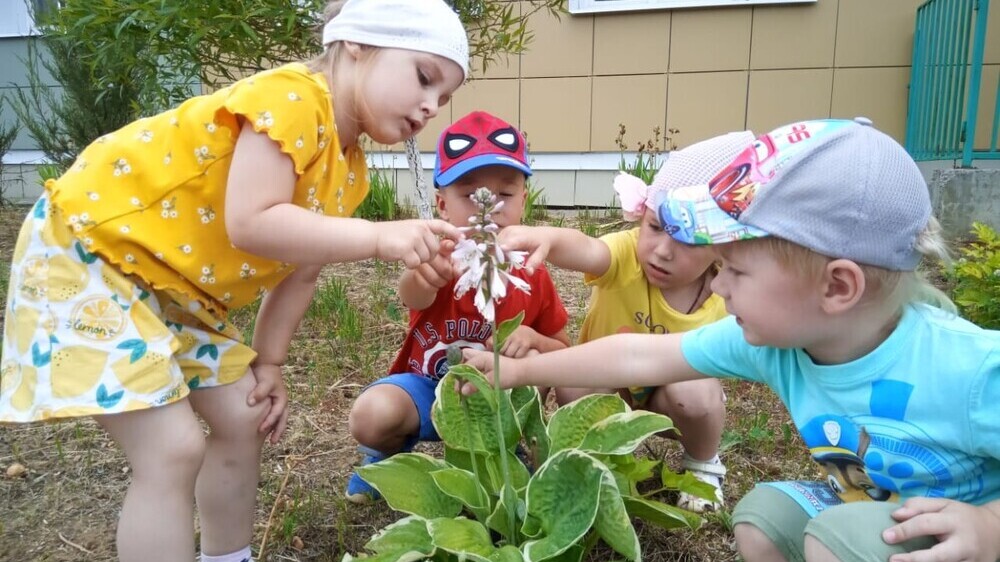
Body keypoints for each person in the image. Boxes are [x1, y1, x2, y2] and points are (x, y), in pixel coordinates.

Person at [0, 1, 468, 560]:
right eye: (423, 77)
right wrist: (378, 237)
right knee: (170, 450)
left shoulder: (349, 170)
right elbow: (252, 222)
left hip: (170, 291)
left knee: (244, 412)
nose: (430, 106)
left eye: (443, 97)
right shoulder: (292, 99)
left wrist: (268, 363)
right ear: (357, 44)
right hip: (92, 253)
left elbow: (301, 272)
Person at [465, 118, 1000, 562]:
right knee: (760, 521)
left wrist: (988, 527)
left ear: (836, 286)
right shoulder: (777, 342)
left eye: (736, 271)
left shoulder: (969, 368)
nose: (718, 285)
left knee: (836, 543)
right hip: (865, 501)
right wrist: (518, 372)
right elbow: (636, 354)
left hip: (956, 533)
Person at [497, 131, 756, 512]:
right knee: (572, 388)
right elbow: (588, 249)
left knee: (697, 394)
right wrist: (549, 236)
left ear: (720, 244)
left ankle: (702, 464)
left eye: (687, 240)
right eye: (654, 227)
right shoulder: (625, 255)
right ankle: (596, 459)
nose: (662, 251)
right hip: (605, 384)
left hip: (667, 397)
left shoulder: (723, 292)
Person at [346, 110, 571, 503]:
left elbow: (563, 350)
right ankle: (386, 455)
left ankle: (511, 451)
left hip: (498, 398)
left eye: (505, 194)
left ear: (523, 199)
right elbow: (412, 296)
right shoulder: (441, 259)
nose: (493, 208)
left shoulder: (532, 271)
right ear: (442, 205)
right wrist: (423, 272)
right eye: (470, 195)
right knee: (371, 415)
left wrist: (533, 337)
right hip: (428, 389)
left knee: (533, 363)